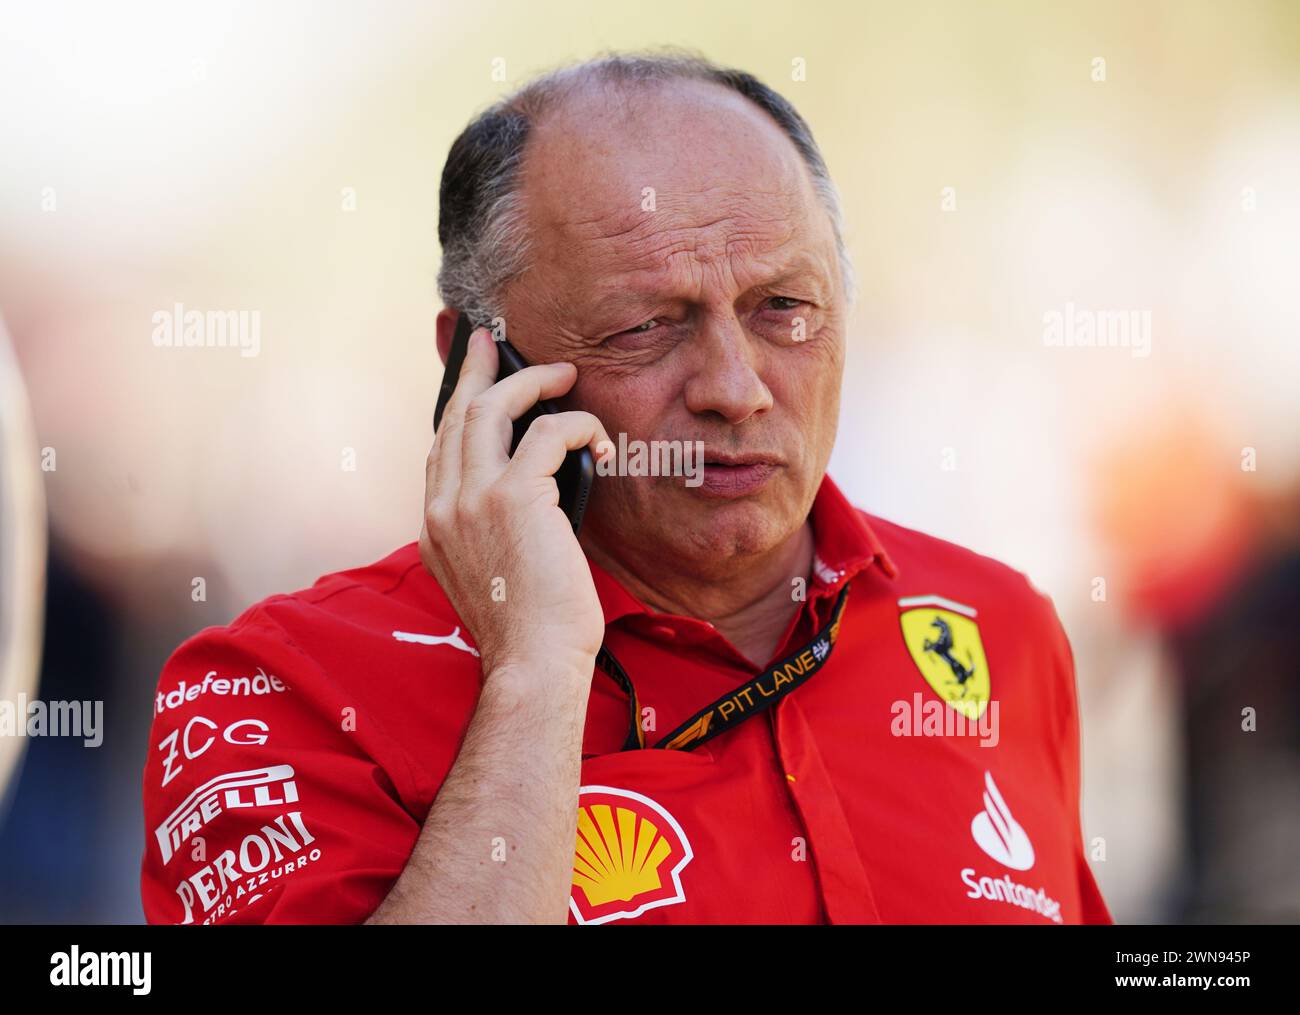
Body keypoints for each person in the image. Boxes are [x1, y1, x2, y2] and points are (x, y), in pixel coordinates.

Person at [141, 50, 1112, 925]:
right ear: (475, 369)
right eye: (645, 327)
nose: (734, 388)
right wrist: (532, 678)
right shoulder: (275, 689)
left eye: (784, 308)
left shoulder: (999, 625)